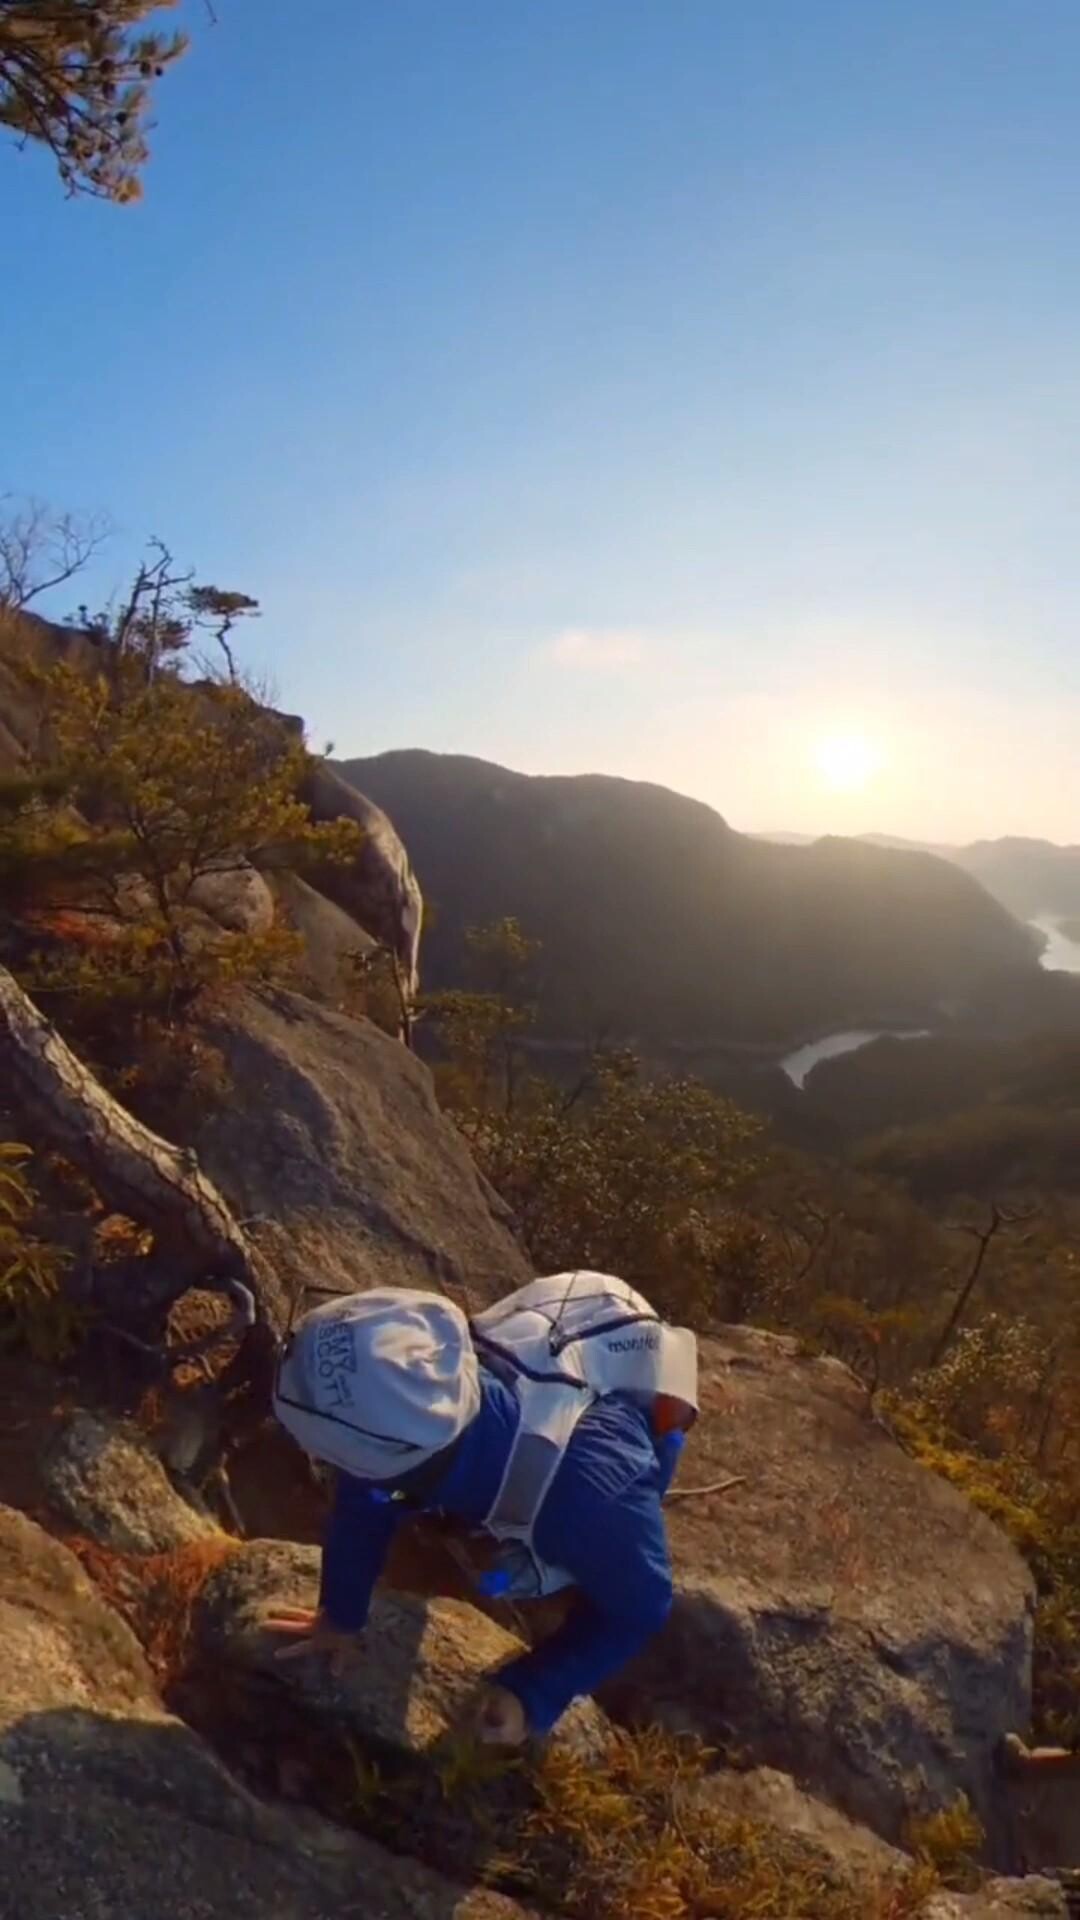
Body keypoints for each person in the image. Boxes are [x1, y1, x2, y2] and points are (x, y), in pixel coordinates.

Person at [266, 1275, 697, 1746]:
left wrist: (533, 1691)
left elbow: (642, 1605)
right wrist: (339, 1617)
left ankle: (535, 1550)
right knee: (465, 1536)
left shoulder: (589, 1499)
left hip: (638, 1368)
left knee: (521, 1578)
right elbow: (364, 1499)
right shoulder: (413, 1409)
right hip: (565, 1321)